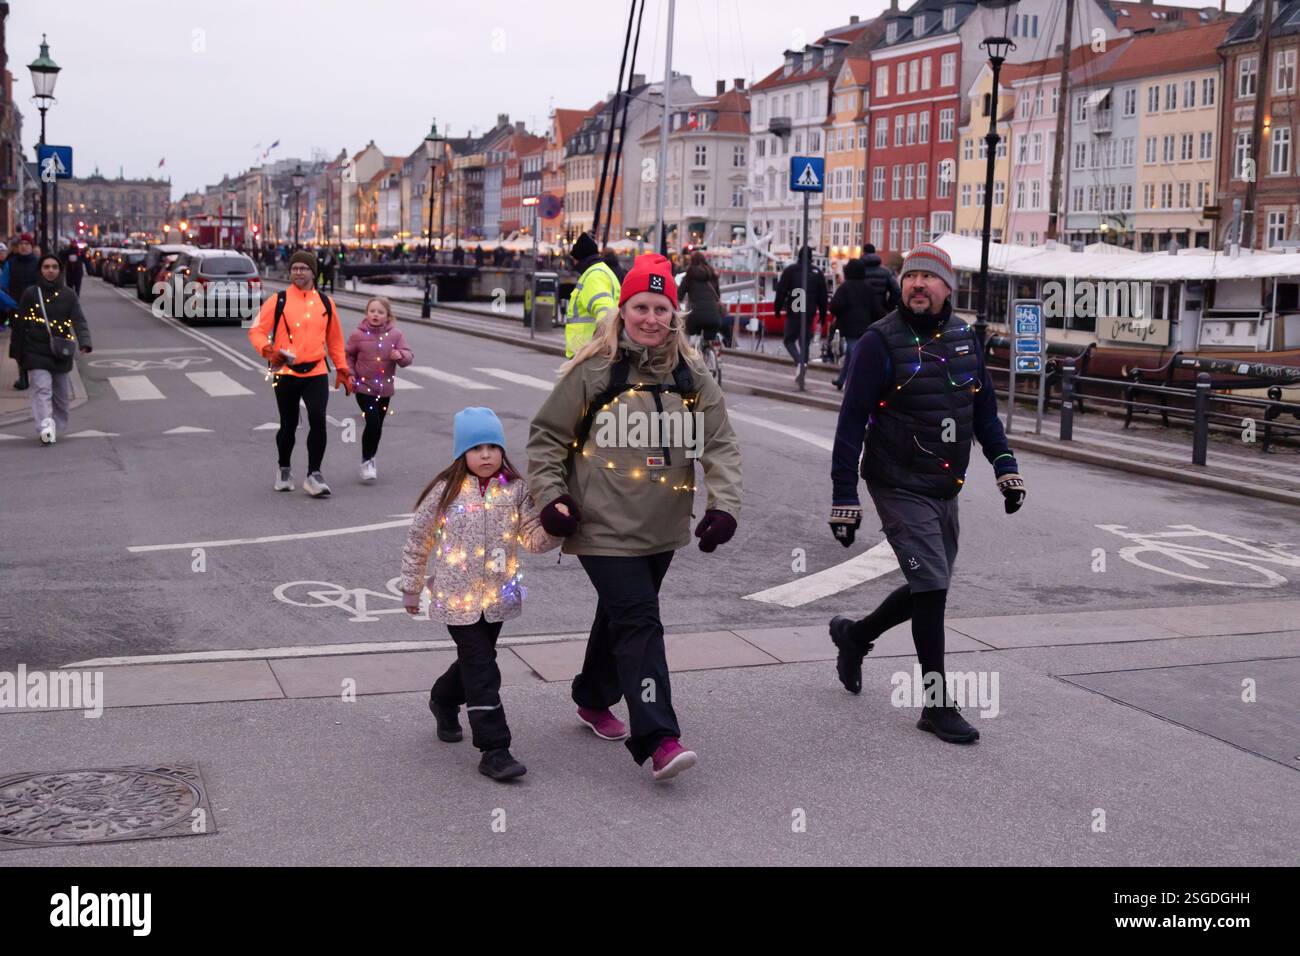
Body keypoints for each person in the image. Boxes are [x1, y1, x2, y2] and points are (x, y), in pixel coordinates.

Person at [527, 253, 743, 782]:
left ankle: (592, 696)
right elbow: (547, 437)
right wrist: (551, 497)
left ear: (675, 314)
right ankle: (660, 738)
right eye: (640, 307)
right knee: (641, 620)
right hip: (599, 524)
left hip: (662, 527)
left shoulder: (692, 378)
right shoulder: (594, 371)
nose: (651, 318)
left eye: (661, 308)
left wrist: (723, 506)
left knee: (622, 615)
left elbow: (720, 445)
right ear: (622, 311)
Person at [827, 242, 1026, 744]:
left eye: (929, 278)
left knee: (928, 588)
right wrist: (844, 496)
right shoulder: (878, 342)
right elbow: (851, 422)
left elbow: (983, 411)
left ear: (947, 289)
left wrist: (1005, 467)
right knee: (933, 589)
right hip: (895, 480)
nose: (918, 285)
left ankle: (855, 636)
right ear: (901, 285)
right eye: (911, 276)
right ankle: (936, 705)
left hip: (943, 483)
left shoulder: (963, 338)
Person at [401, 407, 560, 781]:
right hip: (456, 599)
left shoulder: (516, 491)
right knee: (482, 668)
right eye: (476, 448)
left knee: (477, 661)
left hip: (496, 598)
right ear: (462, 453)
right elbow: (418, 539)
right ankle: (494, 749)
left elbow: (532, 539)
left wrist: (556, 528)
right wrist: (411, 586)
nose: (486, 455)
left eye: (493, 446)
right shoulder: (446, 492)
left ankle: (443, 698)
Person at [246, 249, 352, 496]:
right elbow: (256, 331)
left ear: (312, 272)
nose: (298, 272)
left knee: (318, 419)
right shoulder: (278, 300)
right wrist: (268, 349)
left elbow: (335, 340)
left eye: (303, 268)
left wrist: (343, 368)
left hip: (316, 371)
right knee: (288, 424)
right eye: (294, 268)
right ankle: (283, 468)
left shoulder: (326, 303)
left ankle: (314, 474)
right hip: (286, 373)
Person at [12, 255, 91, 444]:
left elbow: (78, 320)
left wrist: (85, 342)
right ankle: (45, 428)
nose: (50, 270)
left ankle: (56, 424)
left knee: (61, 394)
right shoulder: (31, 294)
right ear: (40, 270)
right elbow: (20, 324)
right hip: (35, 349)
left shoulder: (68, 295)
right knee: (42, 389)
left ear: (60, 270)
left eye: (54, 267)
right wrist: (17, 352)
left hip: (60, 350)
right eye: (46, 267)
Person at [345, 296, 413, 483]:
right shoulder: (357, 335)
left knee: (378, 425)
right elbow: (348, 355)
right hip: (363, 387)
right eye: (372, 311)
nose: (375, 315)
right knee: (372, 422)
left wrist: (400, 355)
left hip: (384, 389)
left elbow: (408, 356)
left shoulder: (396, 335)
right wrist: (350, 374)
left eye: (380, 312)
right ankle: (367, 461)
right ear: (366, 314)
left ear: (388, 316)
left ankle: (371, 457)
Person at [773, 245, 827, 388]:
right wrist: (823, 314)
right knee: (805, 340)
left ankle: (800, 363)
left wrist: (777, 309)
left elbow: (781, 290)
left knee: (789, 339)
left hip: (796, 305)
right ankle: (804, 362)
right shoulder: (817, 272)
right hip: (810, 309)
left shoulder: (791, 270)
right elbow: (823, 295)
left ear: (798, 255)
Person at [564, 232, 620, 359]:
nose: (573, 262)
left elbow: (605, 313)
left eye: (574, 258)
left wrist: (601, 347)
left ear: (580, 258)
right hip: (587, 352)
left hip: (588, 353)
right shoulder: (599, 271)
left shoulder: (594, 276)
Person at [826, 257, 874, 391]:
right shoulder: (868, 287)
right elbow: (875, 307)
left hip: (849, 326)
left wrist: (842, 313)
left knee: (854, 354)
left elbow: (834, 306)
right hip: (866, 325)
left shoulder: (845, 287)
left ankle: (856, 384)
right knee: (851, 354)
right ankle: (841, 380)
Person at [7, 235, 41, 390]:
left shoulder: (38, 264)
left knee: (35, 344)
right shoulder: (11, 264)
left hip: (35, 311)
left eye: (27, 243)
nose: (24, 246)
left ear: (32, 246)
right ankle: (23, 376)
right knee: (18, 344)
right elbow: (3, 286)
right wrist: (12, 304)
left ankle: (36, 375)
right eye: (21, 243)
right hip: (17, 311)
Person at [676, 251, 727, 347]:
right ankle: (713, 354)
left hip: (696, 315)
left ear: (692, 261)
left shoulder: (689, 276)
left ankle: (689, 355)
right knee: (710, 337)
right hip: (714, 315)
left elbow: (679, 296)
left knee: (689, 334)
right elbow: (718, 296)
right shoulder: (712, 275)